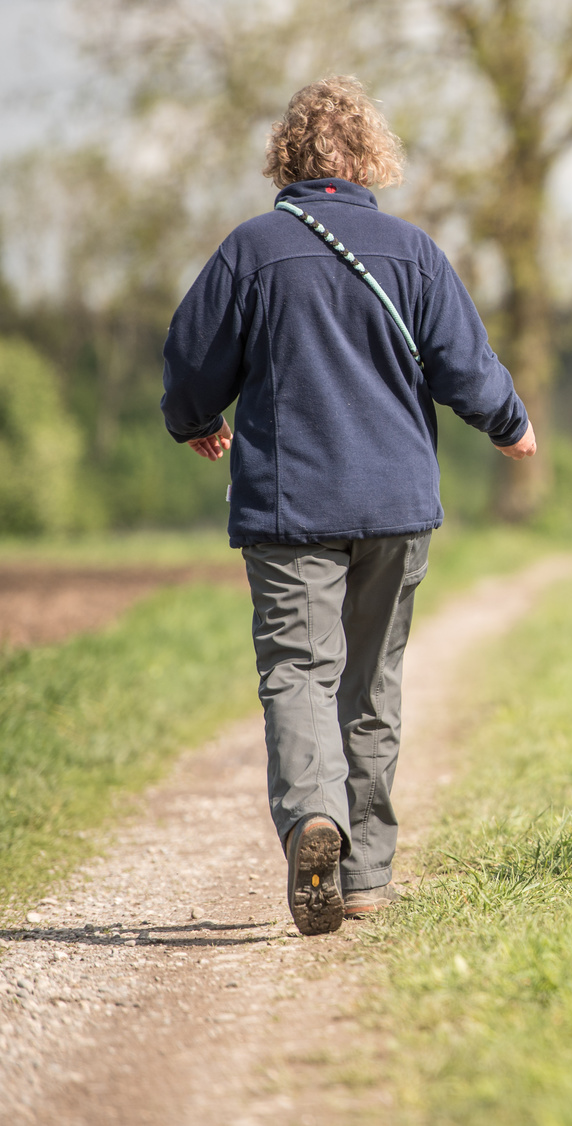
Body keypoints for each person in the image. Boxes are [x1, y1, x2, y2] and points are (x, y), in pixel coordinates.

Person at [160, 76, 536, 936]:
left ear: (285, 157)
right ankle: (363, 874)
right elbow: (465, 366)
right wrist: (510, 424)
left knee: (299, 672)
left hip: (291, 509)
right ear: (370, 157)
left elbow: (189, 361)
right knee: (371, 685)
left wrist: (193, 423)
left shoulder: (249, 252)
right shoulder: (413, 251)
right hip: (397, 504)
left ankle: (311, 820)